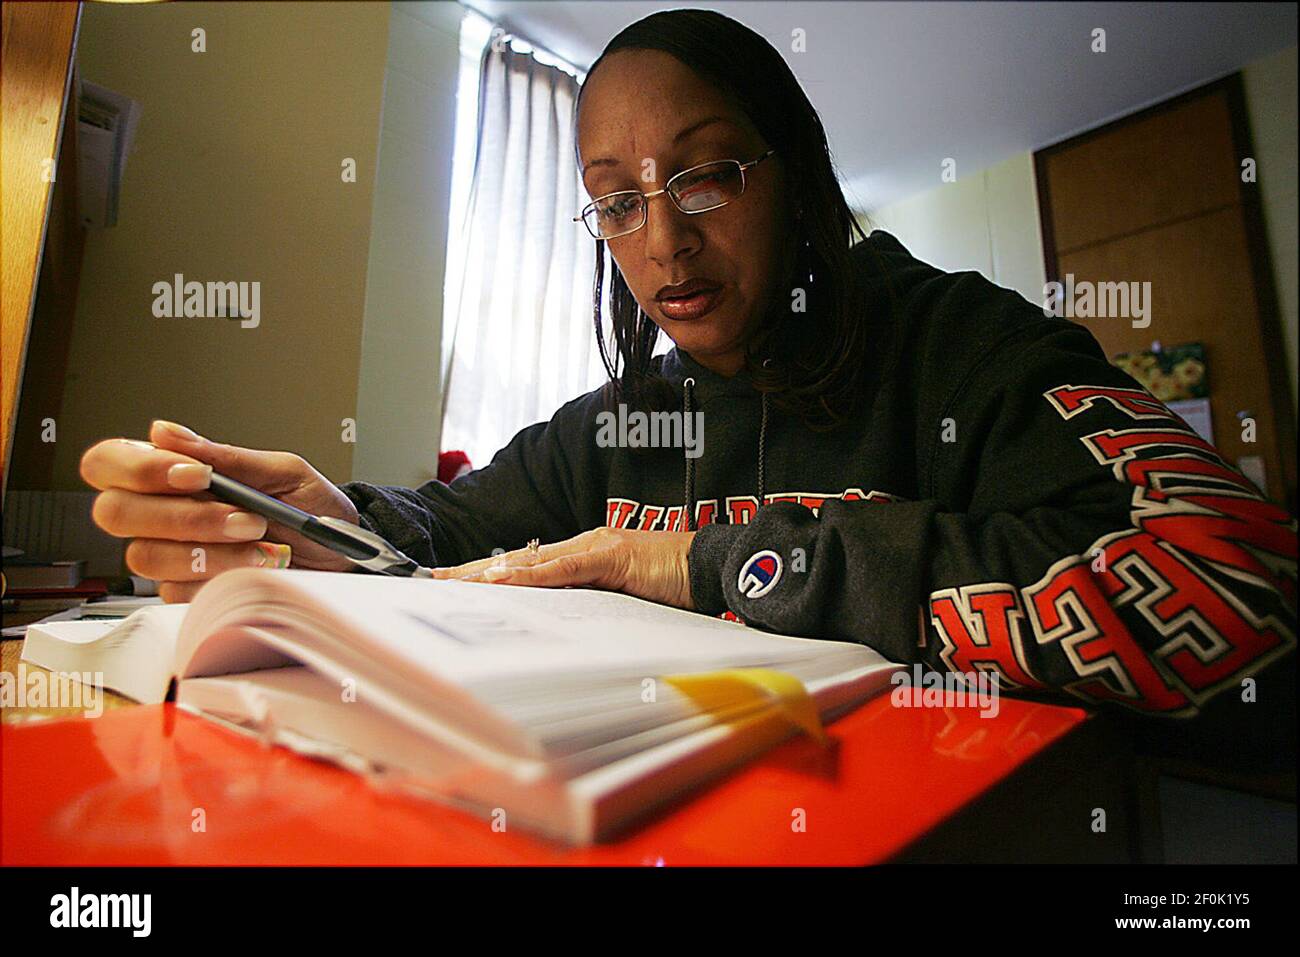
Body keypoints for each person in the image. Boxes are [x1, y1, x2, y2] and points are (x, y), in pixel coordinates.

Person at [80, 10, 1295, 764]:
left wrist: (703, 563)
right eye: (616, 201)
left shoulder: (956, 347)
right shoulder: (618, 427)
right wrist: (325, 521)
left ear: (792, 172)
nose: (663, 242)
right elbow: (450, 528)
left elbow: (1237, 584)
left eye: (705, 176)